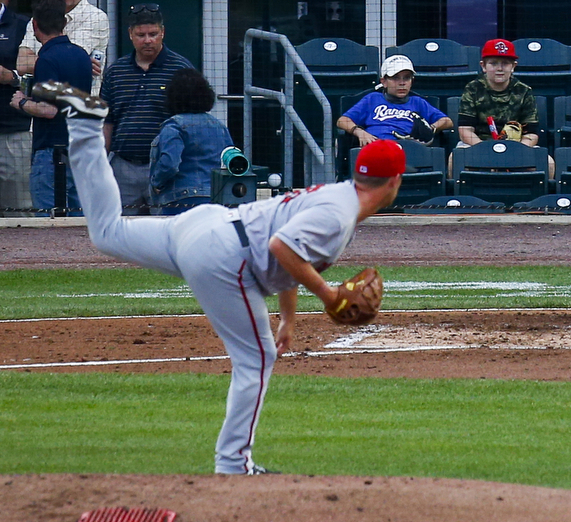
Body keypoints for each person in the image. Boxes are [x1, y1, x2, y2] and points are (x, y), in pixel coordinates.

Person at [33, 79, 405, 474]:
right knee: (257, 359)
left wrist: (289, 318)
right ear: (395, 181)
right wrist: (328, 296)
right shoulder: (339, 215)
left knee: (106, 233)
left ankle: (87, 126)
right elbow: (283, 247)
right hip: (225, 256)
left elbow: (292, 257)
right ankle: (233, 464)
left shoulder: (335, 196)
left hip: (203, 228)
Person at [101, 3, 194, 215]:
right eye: (141, 35)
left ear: (163, 33)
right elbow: (107, 122)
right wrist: (100, 163)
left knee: (166, 232)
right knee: (121, 233)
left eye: (153, 34)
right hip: (123, 165)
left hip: (167, 167)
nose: (148, 40)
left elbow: (191, 122)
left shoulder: (181, 69)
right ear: (130, 35)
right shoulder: (115, 72)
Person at [9, 0, 91, 216]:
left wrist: (22, 102)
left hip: (51, 154)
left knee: (48, 222)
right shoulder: (82, 55)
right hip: (79, 149)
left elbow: (49, 110)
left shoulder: (46, 60)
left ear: (34, 25)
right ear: (64, 22)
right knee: (78, 224)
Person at [17, 0, 109, 95]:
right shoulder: (38, 16)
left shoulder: (96, 17)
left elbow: (67, 62)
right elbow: (22, 64)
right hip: (41, 105)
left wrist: (40, 61)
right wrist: (75, 62)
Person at [149, 68, 234, 215]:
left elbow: (169, 163)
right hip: (216, 197)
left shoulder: (174, 126)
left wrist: (157, 182)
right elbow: (229, 161)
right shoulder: (219, 126)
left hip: (181, 199)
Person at [337, 54, 452, 146]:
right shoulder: (372, 99)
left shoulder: (418, 102)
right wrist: (360, 132)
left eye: (406, 78)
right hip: (378, 148)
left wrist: (431, 128)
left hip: (410, 150)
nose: (402, 83)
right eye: (395, 78)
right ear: (384, 82)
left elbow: (447, 121)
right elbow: (342, 121)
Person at [457, 39, 540, 148]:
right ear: (483, 66)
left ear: (513, 66)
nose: (500, 68)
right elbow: (465, 130)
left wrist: (517, 151)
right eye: (493, 63)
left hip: (516, 146)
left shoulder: (523, 91)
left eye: (505, 63)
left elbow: (531, 134)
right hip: (478, 144)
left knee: (549, 163)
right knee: (454, 158)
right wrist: (485, 150)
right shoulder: (473, 89)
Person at [0, 0, 32, 217]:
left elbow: (41, 73)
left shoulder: (24, 25)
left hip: (14, 131)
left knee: (19, 213)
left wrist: (10, 76)